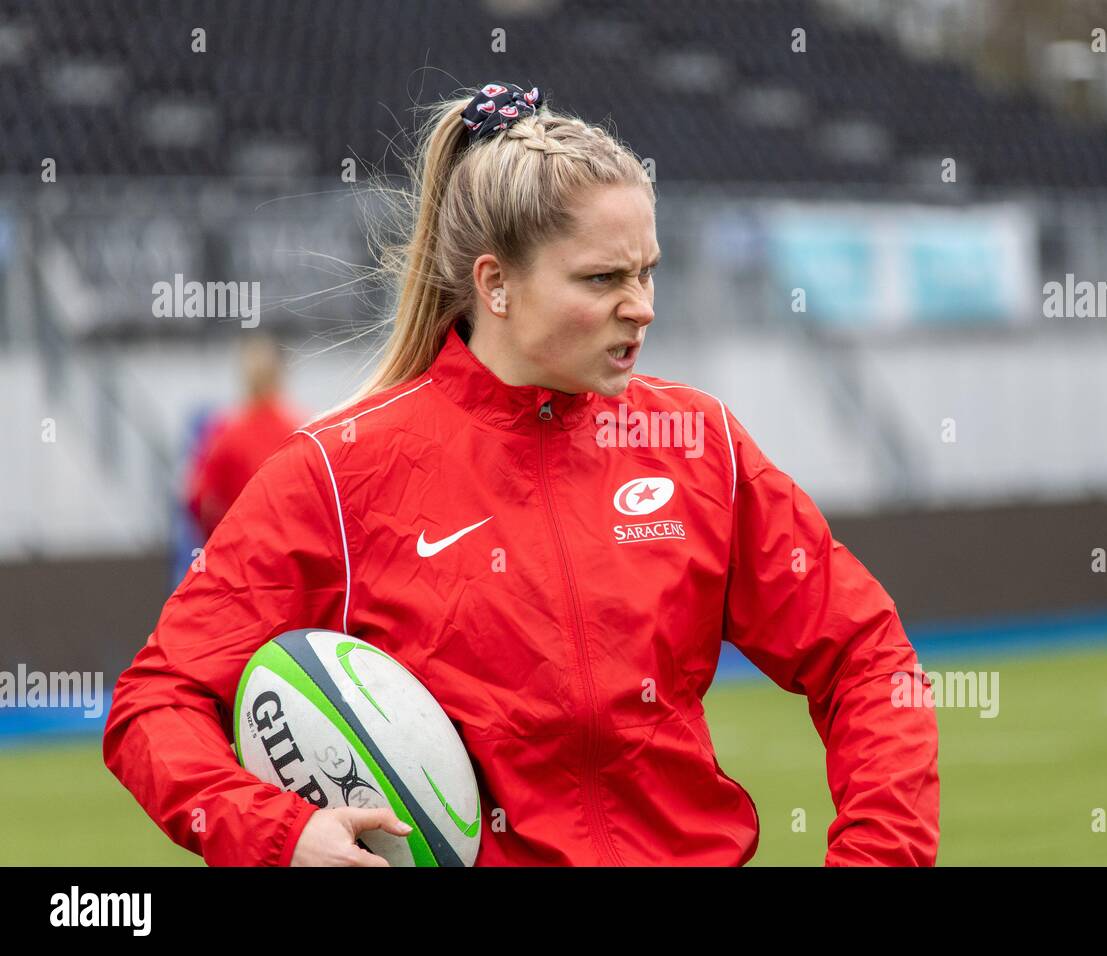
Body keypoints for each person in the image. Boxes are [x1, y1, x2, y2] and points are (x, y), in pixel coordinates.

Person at [103, 82, 940, 867]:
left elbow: (868, 658)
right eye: (603, 278)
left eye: (648, 271)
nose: (643, 305)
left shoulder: (698, 442)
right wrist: (281, 833)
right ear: (495, 284)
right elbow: (155, 702)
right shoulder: (333, 475)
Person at [183, 334, 304, 539]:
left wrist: (219, 538)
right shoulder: (301, 429)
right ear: (280, 374)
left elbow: (197, 500)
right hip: (288, 551)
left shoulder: (225, 432)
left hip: (240, 552)